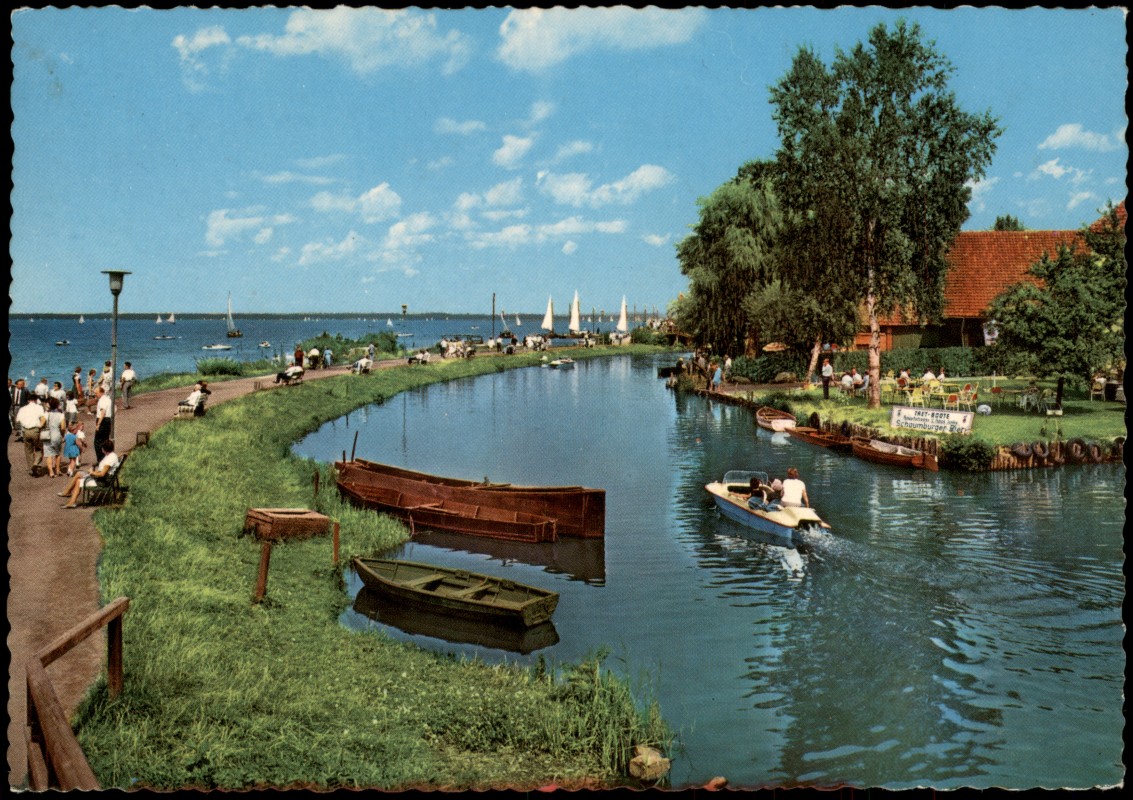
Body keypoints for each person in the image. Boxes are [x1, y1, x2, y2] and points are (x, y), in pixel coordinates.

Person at [57, 439, 119, 509]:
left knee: (78, 481)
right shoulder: (112, 455)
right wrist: (92, 472)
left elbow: (102, 474)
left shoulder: (109, 459)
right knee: (79, 474)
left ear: (104, 449)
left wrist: (92, 472)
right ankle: (68, 494)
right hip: (102, 479)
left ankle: (71, 501)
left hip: (101, 481)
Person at [15, 395, 46, 475]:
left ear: (28, 400)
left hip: (25, 431)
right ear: (36, 400)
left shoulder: (23, 409)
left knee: (28, 450)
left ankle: (31, 467)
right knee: (39, 448)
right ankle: (36, 464)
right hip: (35, 430)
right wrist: (40, 426)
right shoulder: (39, 407)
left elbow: (17, 420)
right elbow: (43, 418)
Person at [42, 397, 66, 478]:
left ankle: (51, 472)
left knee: (48, 454)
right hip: (57, 434)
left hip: (47, 435)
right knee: (57, 453)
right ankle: (58, 470)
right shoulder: (61, 414)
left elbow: (41, 424)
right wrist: (62, 435)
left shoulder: (46, 413)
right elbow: (63, 427)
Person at [94, 385, 113, 454]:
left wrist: (98, 424)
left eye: (96, 393)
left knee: (98, 441)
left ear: (101, 392)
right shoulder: (108, 399)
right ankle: (105, 457)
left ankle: (100, 458)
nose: (95, 395)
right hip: (108, 420)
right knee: (105, 440)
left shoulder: (102, 401)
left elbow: (103, 412)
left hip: (102, 420)